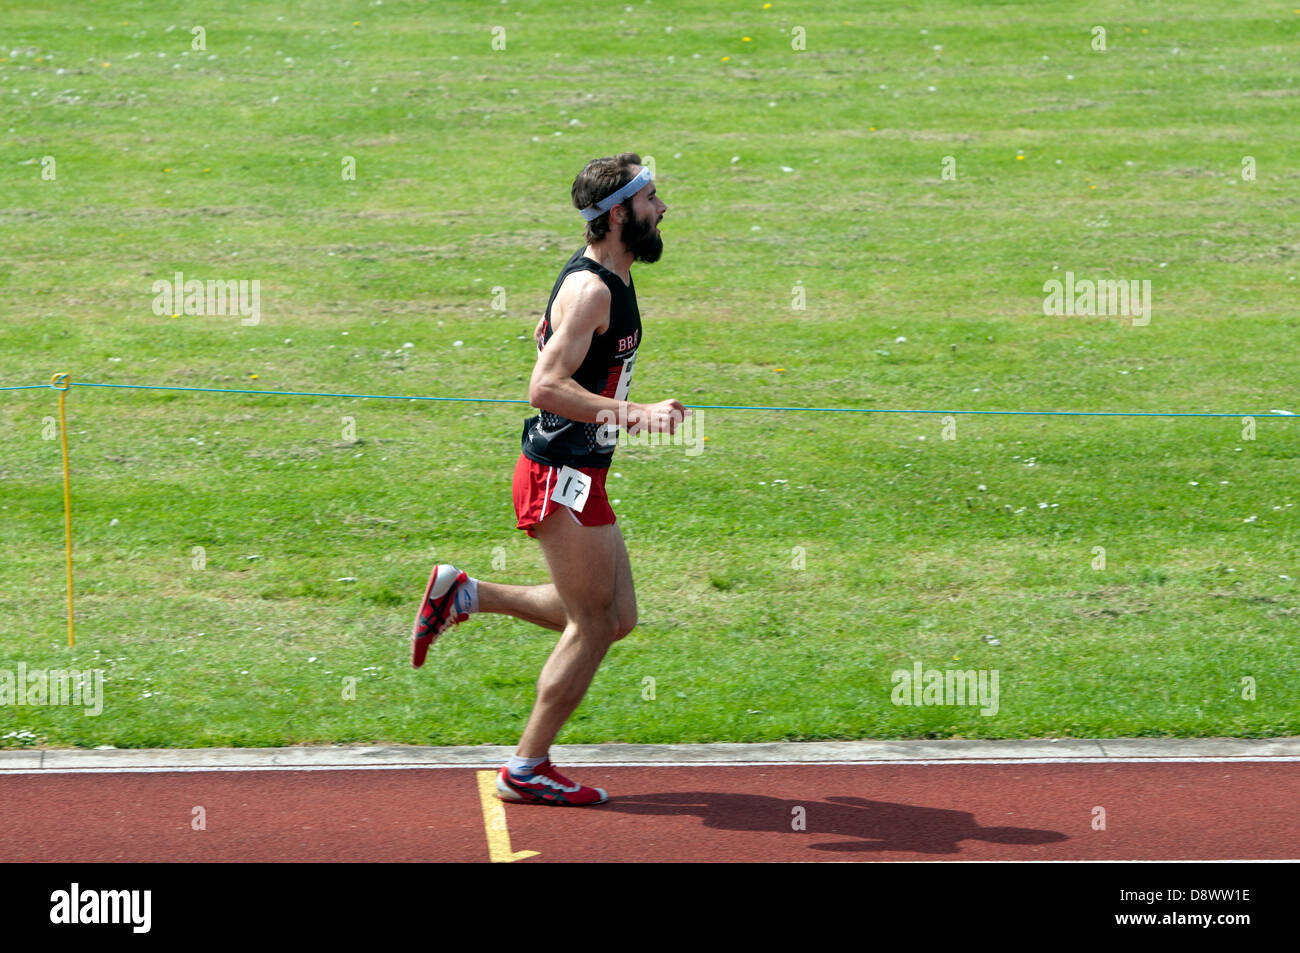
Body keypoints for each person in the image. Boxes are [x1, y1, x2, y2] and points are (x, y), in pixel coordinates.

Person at [411, 152, 687, 806]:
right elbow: (543, 385)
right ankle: (525, 766)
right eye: (651, 200)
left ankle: (465, 595)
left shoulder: (604, 277)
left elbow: (550, 336)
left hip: (580, 469)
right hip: (558, 474)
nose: (663, 209)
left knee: (617, 615)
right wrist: (635, 414)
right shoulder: (593, 287)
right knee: (592, 624)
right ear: (618, 213)